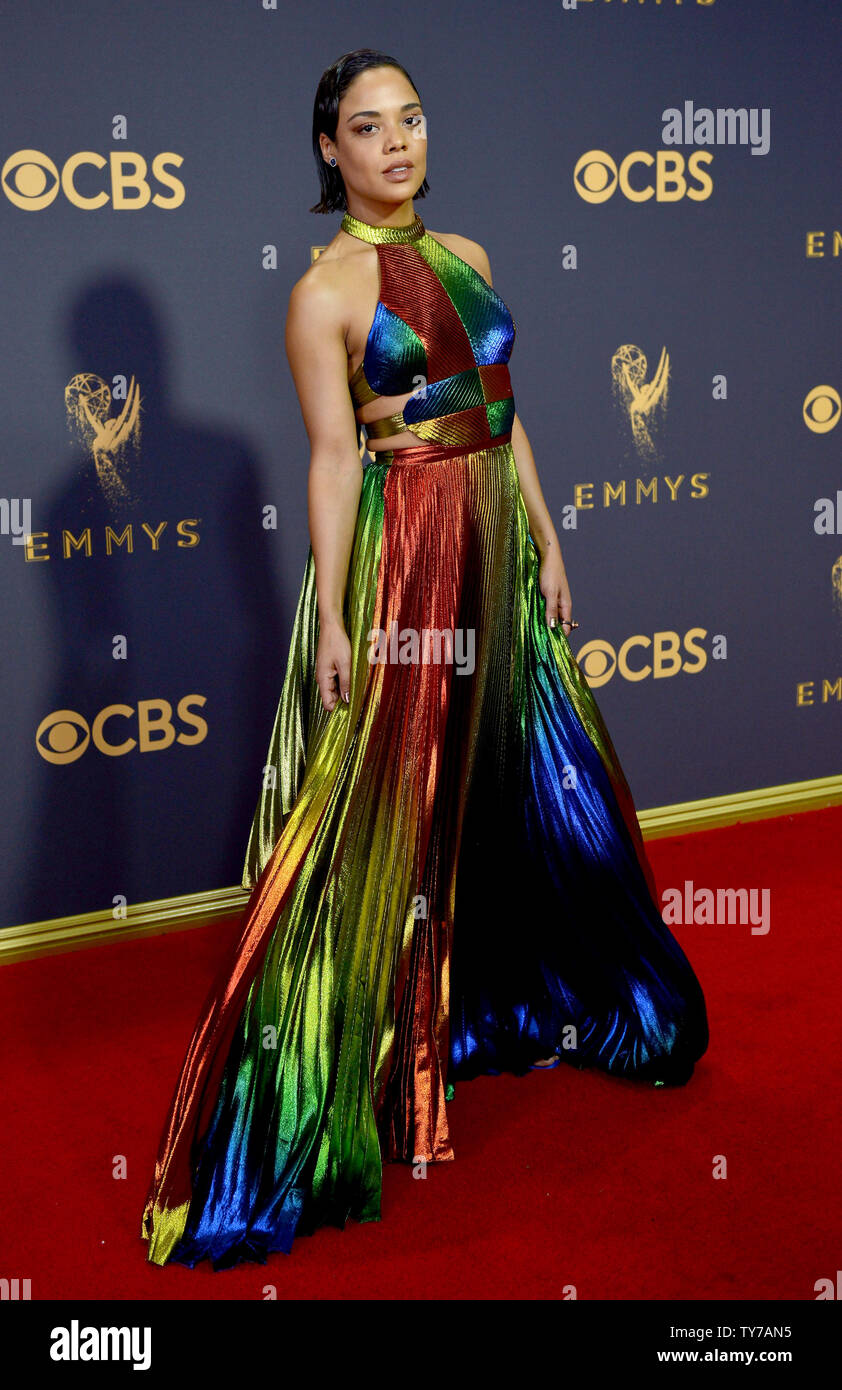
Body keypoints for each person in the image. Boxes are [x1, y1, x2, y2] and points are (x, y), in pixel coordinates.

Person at [141, 48, 708, 1271]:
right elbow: (336, 458)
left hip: (499, 528)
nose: (396, 142)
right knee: (391, 804)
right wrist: (338, 614)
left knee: (529, 767)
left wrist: (550, 539)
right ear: (328, 152)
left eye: (409, 119)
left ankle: (513, 994)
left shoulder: (475, 259)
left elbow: (504, 409)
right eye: (366, 126)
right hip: (410, 551)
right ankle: (340, 1080)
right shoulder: (323, 292)